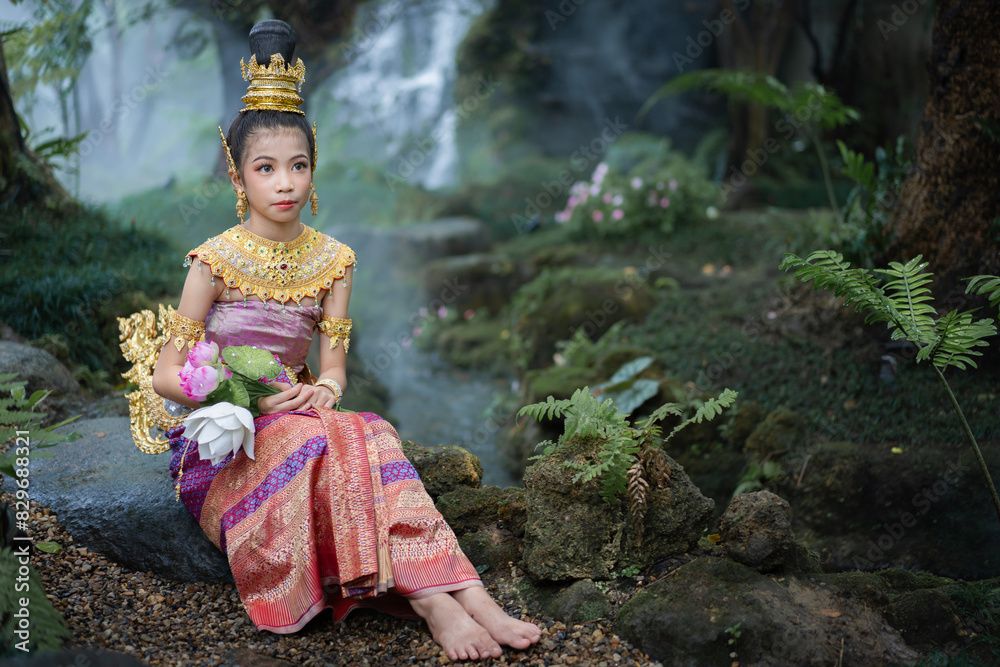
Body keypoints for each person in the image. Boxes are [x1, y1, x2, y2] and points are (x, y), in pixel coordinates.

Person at [146, 19, 540, 662]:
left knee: (371, 431)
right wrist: (243, 393)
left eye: (297, 166)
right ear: (238, 176)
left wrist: (322, 391)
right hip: (225, 430)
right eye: (266, 168)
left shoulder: (335, 260)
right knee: (315, 443)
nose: (284, 183)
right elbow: (167, 374)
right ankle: (435, 600)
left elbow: (333, 370)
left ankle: (470, 590)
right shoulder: (210, 262)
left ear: (313, 170)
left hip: (297, 414)